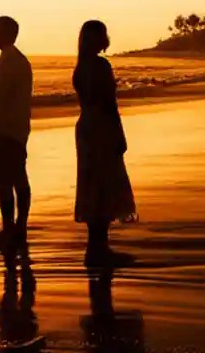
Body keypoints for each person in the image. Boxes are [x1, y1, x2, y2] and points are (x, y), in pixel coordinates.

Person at [72, 19, 137, 265]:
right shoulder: (100, 66)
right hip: (101, 125)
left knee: (91, 183)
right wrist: (119, 135)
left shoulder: (80, 68)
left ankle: (95, 246)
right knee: (106, 182)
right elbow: (109, 104)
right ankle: (100, 248)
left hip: (86, 125)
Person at [0, 15, 33, 248]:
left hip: (6, 131)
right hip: (16, 129)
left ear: (6, 33)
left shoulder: (11, 61)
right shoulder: (15, 59)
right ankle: (17, 227)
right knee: (17, 178)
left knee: (5, 180)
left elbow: (3, 101)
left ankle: (11, 228)